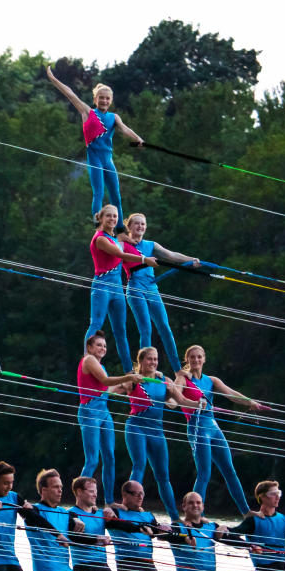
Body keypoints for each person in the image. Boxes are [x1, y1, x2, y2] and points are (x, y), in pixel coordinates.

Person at [45, 68, 144, 224]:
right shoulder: (88, 112)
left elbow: (125, 129)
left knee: (116, 195)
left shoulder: (114, 117)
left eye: (107, 98)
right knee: (98, 193)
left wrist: (138, 139)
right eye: (101, 98)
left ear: (111, 100)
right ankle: (97, 223)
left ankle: (119, 229)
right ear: (95, 99)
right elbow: (71, 94)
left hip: (108, 160)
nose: (104, 101)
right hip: (94, 159)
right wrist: (53, 79)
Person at [111, 346, 200, 521]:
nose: (153, 362)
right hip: (136, 427)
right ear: (141, 361)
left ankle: (175, 518)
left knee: (163, 476)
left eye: (155, 359)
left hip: (157, 431)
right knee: (139, 465)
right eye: (149, 359)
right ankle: (129, 509)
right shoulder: (133, 380)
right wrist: (125, 379)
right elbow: (110, 389)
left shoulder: (165, 381)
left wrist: (199, 404)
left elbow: (182, 400)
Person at [175, 344, 265, 515]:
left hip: (213, 426)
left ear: (204, 359)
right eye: (192, 357)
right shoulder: (183, 379)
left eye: (199, 356)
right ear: (187, 360)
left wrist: (250, 402)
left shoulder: (212, 380)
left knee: (230, 470)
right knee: (204, 473)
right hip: (196, 427)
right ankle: (196, 515)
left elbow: (231, 393)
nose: (196, 360)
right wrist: (193, 403)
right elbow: (176, 398)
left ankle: (246, 512)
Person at [121, 213, 199, 373]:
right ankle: (143, 369)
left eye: (143, 224)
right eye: (137, 224)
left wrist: (191, 260)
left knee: (165, 327)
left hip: (151, 288)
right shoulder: (122, 245)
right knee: (146, 329)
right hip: (135, 287)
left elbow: (171, 255)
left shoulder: (151, 245)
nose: (140, 227)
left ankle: (178, 369)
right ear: (129, 226)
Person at [26, 469, 102, 571]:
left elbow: (75, 538)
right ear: (44, 490)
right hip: (46, 570)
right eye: (55, 487)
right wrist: (58, 533)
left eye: (61, 487)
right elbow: (35, 519)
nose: (60, 490)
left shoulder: (64, 513)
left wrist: (97, 540)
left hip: (65, 570)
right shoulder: (34, 510)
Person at [77, 331, 140, 505]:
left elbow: (107, 390)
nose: (102, 348)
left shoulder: (100, 365)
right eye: (99, 345)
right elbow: (105, 381)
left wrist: (126, 386)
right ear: (89, 347)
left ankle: (109, 502)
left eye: (104, 346)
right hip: (90, 412)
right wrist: (128, 377)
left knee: (110, 457)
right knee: (92, 459)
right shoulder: (89, 360)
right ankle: (79, 500)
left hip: (104, 412)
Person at [84, 204, 148, 372]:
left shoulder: (114, 238)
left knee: (120, 330)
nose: (112, 219)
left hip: (117, 289)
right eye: (109, 216)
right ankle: (87, 361)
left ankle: (128, 370)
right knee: (96, 323)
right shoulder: (100, 239)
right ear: (101, 218)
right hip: (102, 287)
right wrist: (144, 260)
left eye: (115, 216)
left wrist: (125, 239)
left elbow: (121, 244)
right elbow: (119, 254)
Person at [66, 476, 122, 571]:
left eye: (96, 491)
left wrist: (114, 511)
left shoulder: (100, 514)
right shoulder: (71, 515)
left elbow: (124, 524)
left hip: (103, 566)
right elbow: (73, 538)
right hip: (84, 567)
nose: (95, 495)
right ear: (79, 492)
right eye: (91, 491)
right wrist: (96, 539)